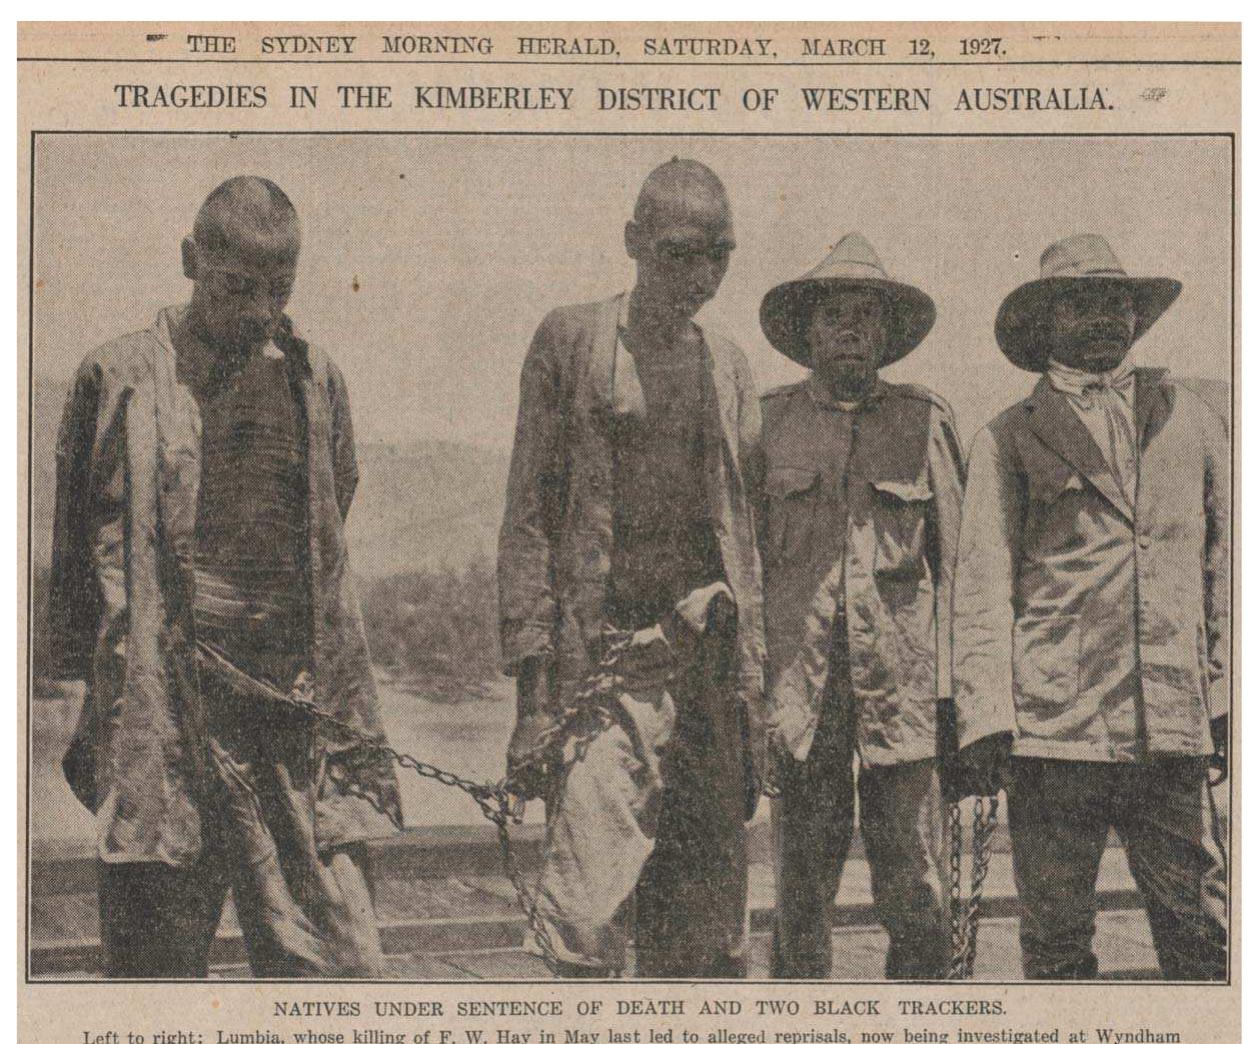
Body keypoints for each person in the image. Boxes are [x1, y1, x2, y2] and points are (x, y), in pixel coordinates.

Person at [49, 176, 402, 978]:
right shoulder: (118, 376)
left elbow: (328, 512)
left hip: (289, 709)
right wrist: (99, 706)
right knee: (153, 966)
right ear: (188, 261)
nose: (256, 311)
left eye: (276, 291)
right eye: (235, 287)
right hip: (163, 712)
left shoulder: (316, 379)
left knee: (327, 963)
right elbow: (78, 557)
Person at [497, 158, 767, 978]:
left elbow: (742, 539)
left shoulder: (726, 366)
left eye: (718, 254)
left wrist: (752, 695)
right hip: (602, 675)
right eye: (679, 252)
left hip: (704, 677)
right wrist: (532, 702)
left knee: (703, 929)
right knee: (582, 920)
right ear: (633, 243)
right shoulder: (571, 341)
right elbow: (529, 522)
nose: (699, 273)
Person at [951, 233, 1228, 980]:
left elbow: (1223, 568)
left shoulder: (1192, 421)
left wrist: (1225, 695)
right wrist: (984, 720)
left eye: (1118, 302)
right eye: (1081, 303)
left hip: (1168, 724)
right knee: (1054, 937)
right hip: (1054, 734)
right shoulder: (1006, 436)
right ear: (1046, 322)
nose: (1105, 318)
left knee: (1198, 928)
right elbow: (981, 586)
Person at [754, 233, 963, 979]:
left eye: (865, 317)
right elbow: (746, 568)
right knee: (800, 890)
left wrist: (958, 701)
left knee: (914, 881)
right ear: (807, 331)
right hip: (800, 695)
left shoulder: (923, 421)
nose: (849, 329)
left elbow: (959, 567)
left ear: (885, 334)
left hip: (900, 693)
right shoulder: (766, 422)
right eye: (833, 315)